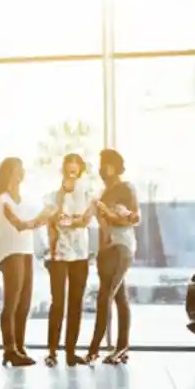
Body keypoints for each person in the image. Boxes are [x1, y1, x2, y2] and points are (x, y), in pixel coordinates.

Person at [0, 157, 54, 367]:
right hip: (11, 254)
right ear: (11, 173)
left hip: (25, 252)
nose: (23, 172)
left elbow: (31, 225)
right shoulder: (3, 201)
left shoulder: (22, 200)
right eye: (20, 168)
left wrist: (44, 217)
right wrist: (41, 218)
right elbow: (19, 225)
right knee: (12, 303)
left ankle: (19, 346)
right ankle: (9, 349)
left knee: (24, 303)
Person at [86, 148, 139, 365]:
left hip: (122, 246)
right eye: (100, 164)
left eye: (106, 164)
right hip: (107, 250)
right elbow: (100, 226)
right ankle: (122, 348)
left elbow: (134, 218)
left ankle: (94, 349)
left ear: (116, 166)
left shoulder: (126, 188)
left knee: (104, 297)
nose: (102, 169)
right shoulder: (102, 194)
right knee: (119, 297)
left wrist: (112, 216)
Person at [43, 153, 94, 367]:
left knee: (76, 303)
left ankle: (71, 352)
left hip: (80, 253)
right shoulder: (54, 196)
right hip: (59, 254)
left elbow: (84, 221)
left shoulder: (89, 194)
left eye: (75, 169)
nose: (71, 172)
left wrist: (67, 221)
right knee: (58, 303)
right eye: (68, 169)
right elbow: (51, 222)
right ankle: (52, 351)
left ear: (80, 171)